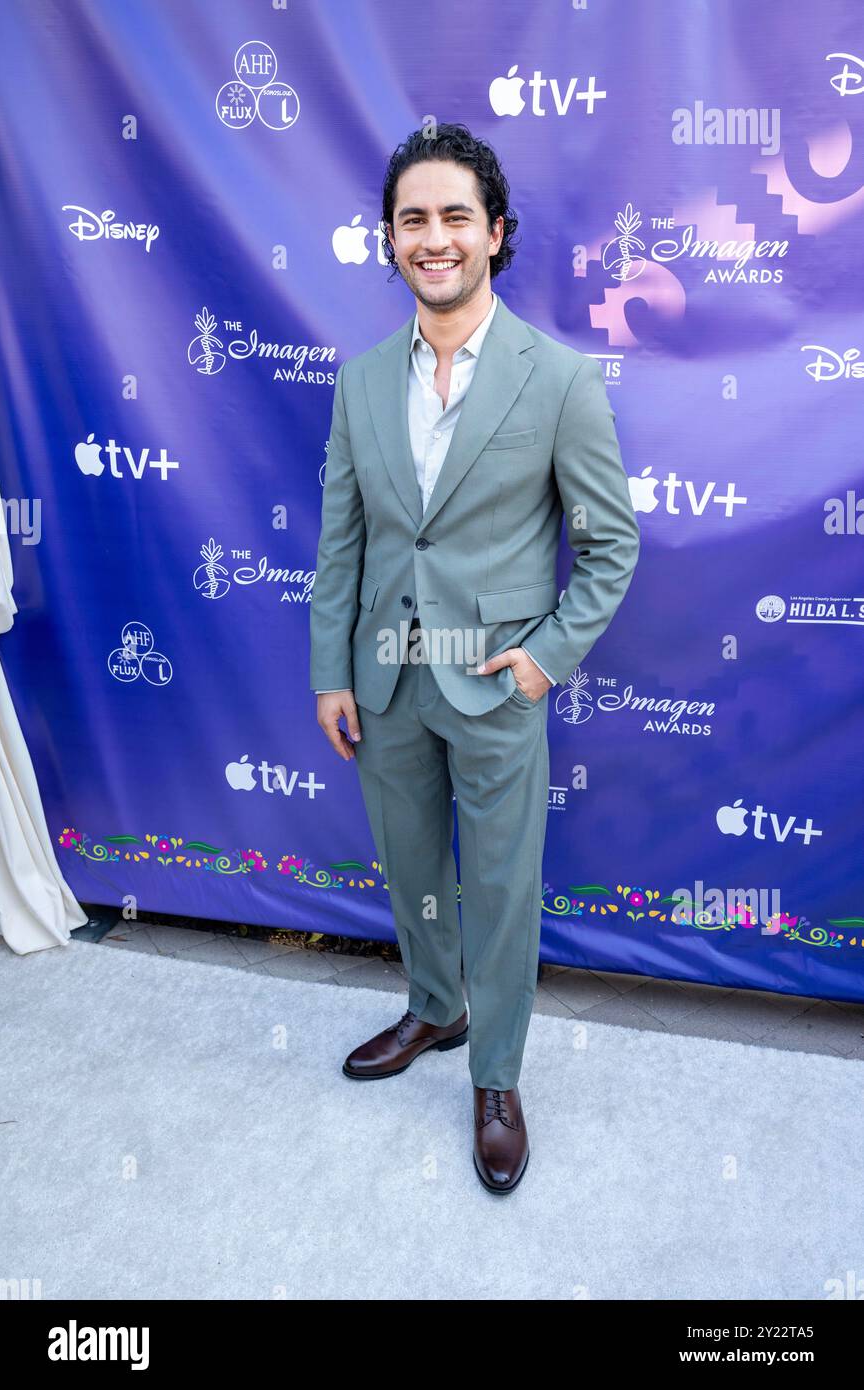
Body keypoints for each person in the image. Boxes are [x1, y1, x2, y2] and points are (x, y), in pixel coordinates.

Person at [310, 123, 640, 1194]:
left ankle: (494, 1075)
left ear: (494, 234)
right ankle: (434, 1008)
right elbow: (343, 540)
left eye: (456, 216)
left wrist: (545, 659)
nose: (434, 237)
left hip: (496, 680)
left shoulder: (557, 379)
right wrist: (331, 668)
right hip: (385, 677)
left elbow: (609, 544)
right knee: (413, 871)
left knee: (498, 887)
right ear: (389, 241)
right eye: (414, 218)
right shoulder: (360, 381)